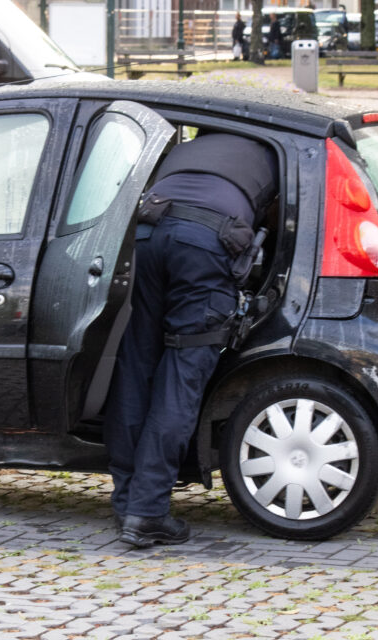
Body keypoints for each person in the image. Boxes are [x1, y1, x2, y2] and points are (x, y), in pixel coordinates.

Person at [104, 134, 278, 548]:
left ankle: (127, 501)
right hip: (204, 244)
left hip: (149, 233)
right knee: (181, 374)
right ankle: (146, 514)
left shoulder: (191, 146)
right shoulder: (272, 147)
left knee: (137, 362)